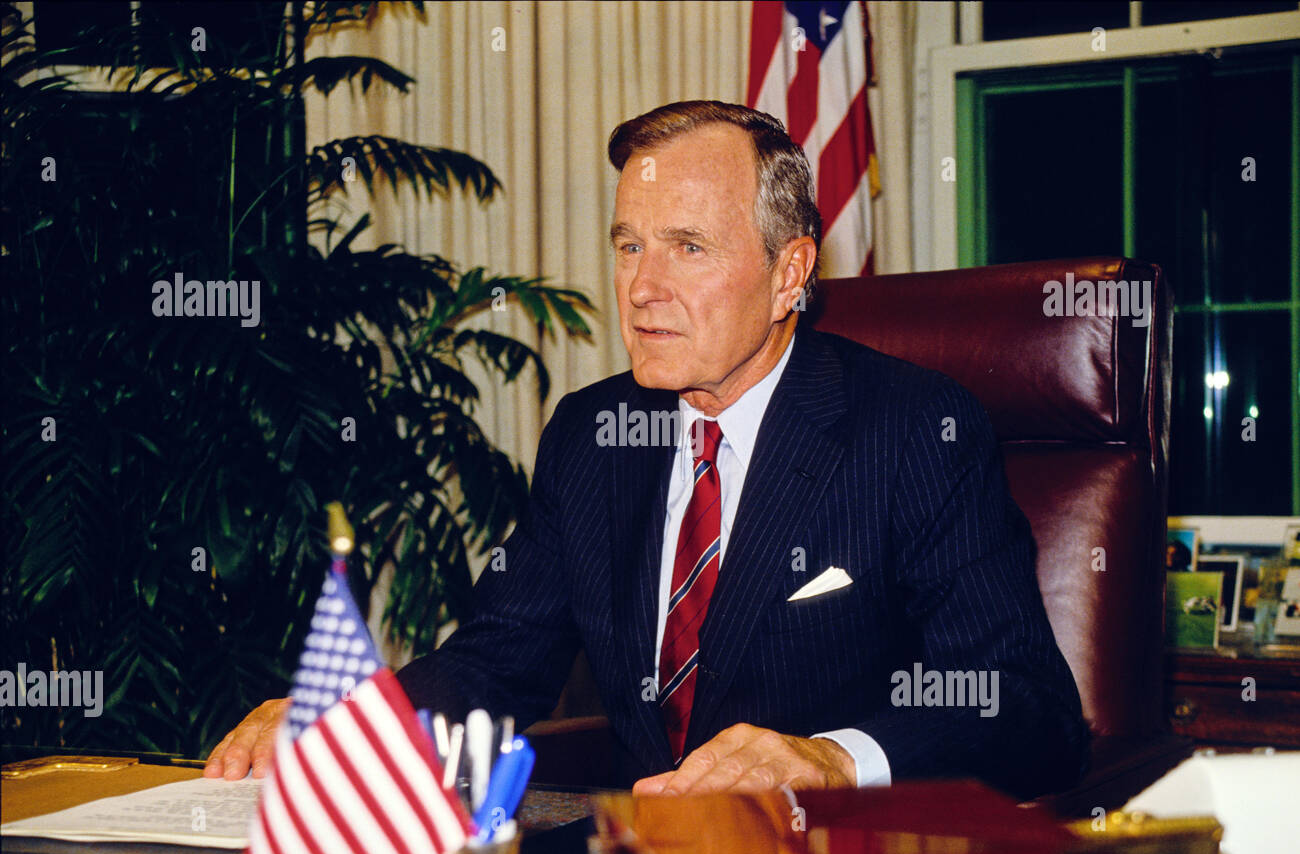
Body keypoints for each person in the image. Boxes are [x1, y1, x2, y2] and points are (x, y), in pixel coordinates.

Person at [206, 101, 1089, 799]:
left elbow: (1023, 706)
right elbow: (495, 664)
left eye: (688, 248)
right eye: (630, 245)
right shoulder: (594, 436)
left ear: (790, 275)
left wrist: (829, 758)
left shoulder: (913, 431)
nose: (642, 287)